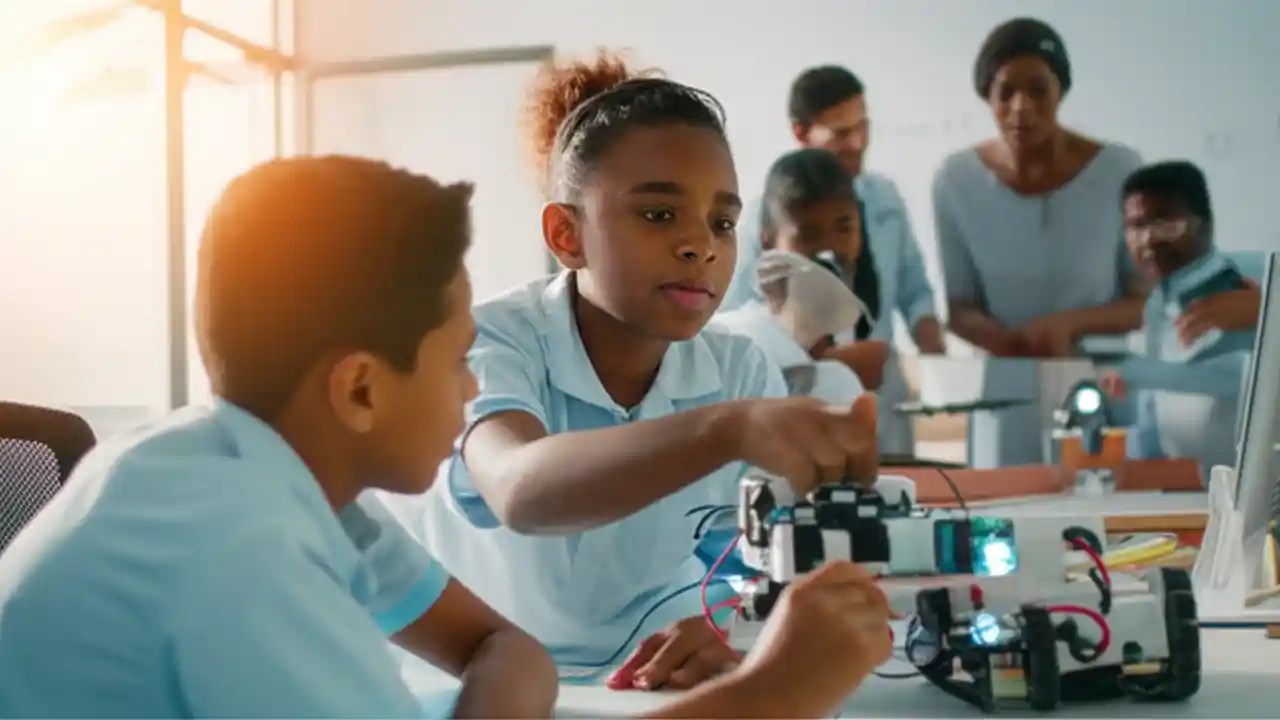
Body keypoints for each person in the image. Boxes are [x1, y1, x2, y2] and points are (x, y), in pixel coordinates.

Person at [0, 156, 559, 717]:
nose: (471, 388)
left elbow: (507, 649)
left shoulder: (242, 471)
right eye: (460, 360)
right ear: (360, 389)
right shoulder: (244, 550)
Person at [407, 54, 887, 700]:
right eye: (660, 215)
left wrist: (731, 631)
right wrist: (727, 430)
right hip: (478, 689)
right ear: (566, 235)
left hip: (644, 687)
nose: (701, 246)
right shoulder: (493, 340)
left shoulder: (738, 368)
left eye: (721, 222)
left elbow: (765, 564)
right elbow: (520, 488)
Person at [931, 17, 1148, 466]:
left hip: (1101, 377)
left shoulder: (1121, 172)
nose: (1020, 107)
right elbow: (960, 308)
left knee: (1110, 515)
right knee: (1004, 516)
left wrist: (1067, 325)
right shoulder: (955, 181)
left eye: (1037, 89)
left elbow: (1143, 303)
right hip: (1006, 385)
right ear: (986, 97)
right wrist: (1008, 341)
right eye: (1005, 92)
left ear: (1061, 91)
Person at [722, 65, 944, 456]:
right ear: (801, 133)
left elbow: (916, 291)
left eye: (864, 127)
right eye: (841, 133)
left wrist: (939, 370)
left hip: (878, 379)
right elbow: (736, 319)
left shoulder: (885, 198)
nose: (857, 142)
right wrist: (826, 361)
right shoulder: (768, 214)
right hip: (798, 385)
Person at [1099, 160, 1255, 475]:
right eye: (1137, 227)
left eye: (1166, 224)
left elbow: (1238, 378)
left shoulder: (1254, 280)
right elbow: (1156, 411)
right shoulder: (1156, 306)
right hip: (1189, 488)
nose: (1148, 241)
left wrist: (1135, 371)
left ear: (1205, 224)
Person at [715, 147, 888, 397]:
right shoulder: (746, 342)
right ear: (768, 240)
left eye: (844, 228)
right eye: (808, 235)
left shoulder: (852, 343)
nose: (830, 247)